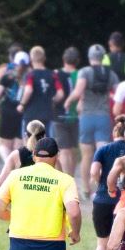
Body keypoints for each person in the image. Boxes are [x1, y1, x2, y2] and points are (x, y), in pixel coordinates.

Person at [62, 44, 118, 196]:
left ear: (89, 57)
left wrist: (68, 101)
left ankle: (86, 188)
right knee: (103, 154)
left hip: (87, 117)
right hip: (104, 117)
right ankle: (104, 187)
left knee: (87, 155)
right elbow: (117, 93)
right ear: (103, 57)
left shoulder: (85, 72)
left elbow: (78, 91)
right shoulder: (111, 74)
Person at [88, 116, 125, 250]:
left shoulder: (103, 149)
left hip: (102, 200)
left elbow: (93, 172)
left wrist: (100, 184)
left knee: (102, 244)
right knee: (117, 245)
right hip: (122, 202)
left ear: (114, 132)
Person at [17, 46, 62, 150]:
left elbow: (28, 90)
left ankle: (30, 159)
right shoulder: (53, 74)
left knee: (29, 143)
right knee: (46, 143)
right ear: (44, 58)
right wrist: (52, 101)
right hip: (47, 113)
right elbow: (60, 93)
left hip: (31, 114)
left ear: (31, 59)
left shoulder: (30, 75)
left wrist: (22, 104)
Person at [0, 49, 29, 160]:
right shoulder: (29, 77)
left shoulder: (7, 76)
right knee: (19, 144)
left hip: (7, 111)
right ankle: (17, 165)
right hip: (23, 112)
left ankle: (8, 164)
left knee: (3, 143)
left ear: (14, 62)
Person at [51, 46, 80, 179]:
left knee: (64, 151)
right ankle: (71, 177)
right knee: (73, 150)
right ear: (77, 60)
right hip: (76, 116)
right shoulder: (80, 74)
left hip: (59, 116)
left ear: (63, 59)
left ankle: (66, 179)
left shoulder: (55, 74)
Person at [0, 119, 46, 189]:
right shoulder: (52, 155)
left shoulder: (16, 155)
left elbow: (1, 181)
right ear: (44, 135)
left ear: (26, 135)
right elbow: (60, 181)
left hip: (22, 194)